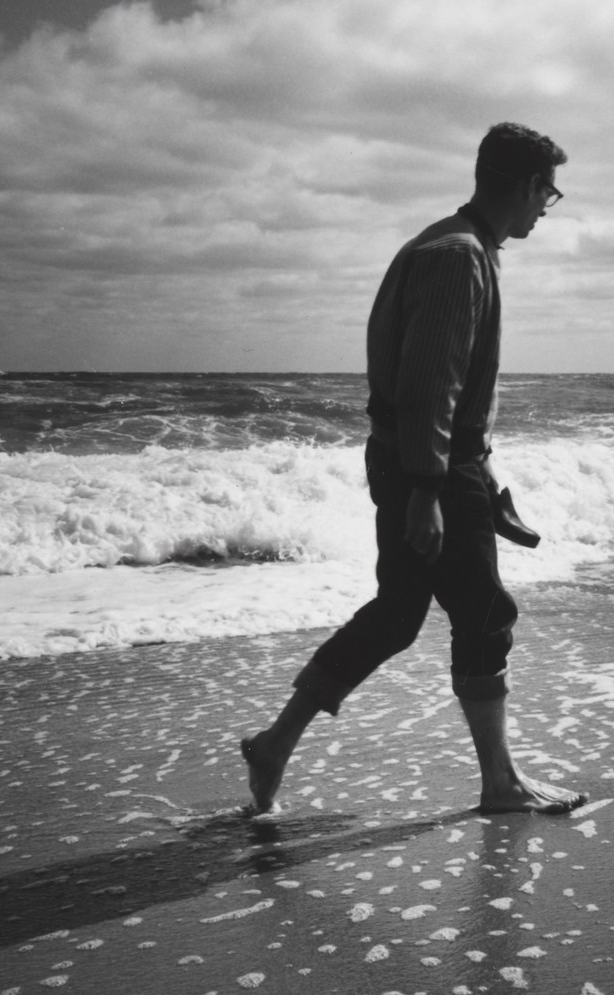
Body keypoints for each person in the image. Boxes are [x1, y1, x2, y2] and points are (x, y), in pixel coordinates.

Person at [240, 122, 586, 816]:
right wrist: (430, 489)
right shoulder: (458, 256)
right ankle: (499, 783)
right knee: (486, 614)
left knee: (398, 615)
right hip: (429, 469)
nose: (544, 209)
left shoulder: (454, 246)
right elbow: (432, 384)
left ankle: (275, 743)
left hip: (423, 465)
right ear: (523, 185)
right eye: (546, 194)